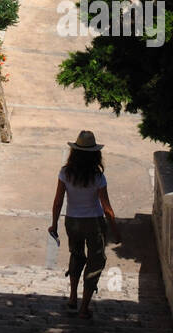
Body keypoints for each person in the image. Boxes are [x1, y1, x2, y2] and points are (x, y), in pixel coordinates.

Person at [49, 130, 120, 319]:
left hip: (72, 221)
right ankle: (84, 309)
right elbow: (107, 208)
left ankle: (73, 297)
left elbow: (58, 201)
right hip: (94, 223)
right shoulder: (98, 177)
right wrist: (115, 231)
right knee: (95, 262)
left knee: (76, 255)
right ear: (95, 154)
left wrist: (54, 224)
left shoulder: (65, 173)